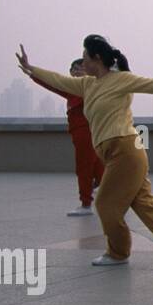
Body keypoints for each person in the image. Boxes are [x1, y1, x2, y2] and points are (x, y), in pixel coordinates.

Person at [16, 35, 153, 267]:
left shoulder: (121, 79)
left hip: (124, 149)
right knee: (143, 202)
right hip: (120, 152)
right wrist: (31, 69)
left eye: (84, 58)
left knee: (106, 204)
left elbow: (152, 85)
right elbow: (58, 80)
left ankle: (118, 253)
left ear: (96, 59)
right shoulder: (87, 85)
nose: (82, 63)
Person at [28, 58, 105, 216]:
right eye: (73, 69)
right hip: (81, 133)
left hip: (88, 133)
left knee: (85, 167)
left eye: (80, 68)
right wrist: (32, 73)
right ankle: (114, 196)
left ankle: (85, 204)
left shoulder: (92, 88)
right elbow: (53, 84)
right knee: (97, 167)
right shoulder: (72, 91)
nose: (76, 72)